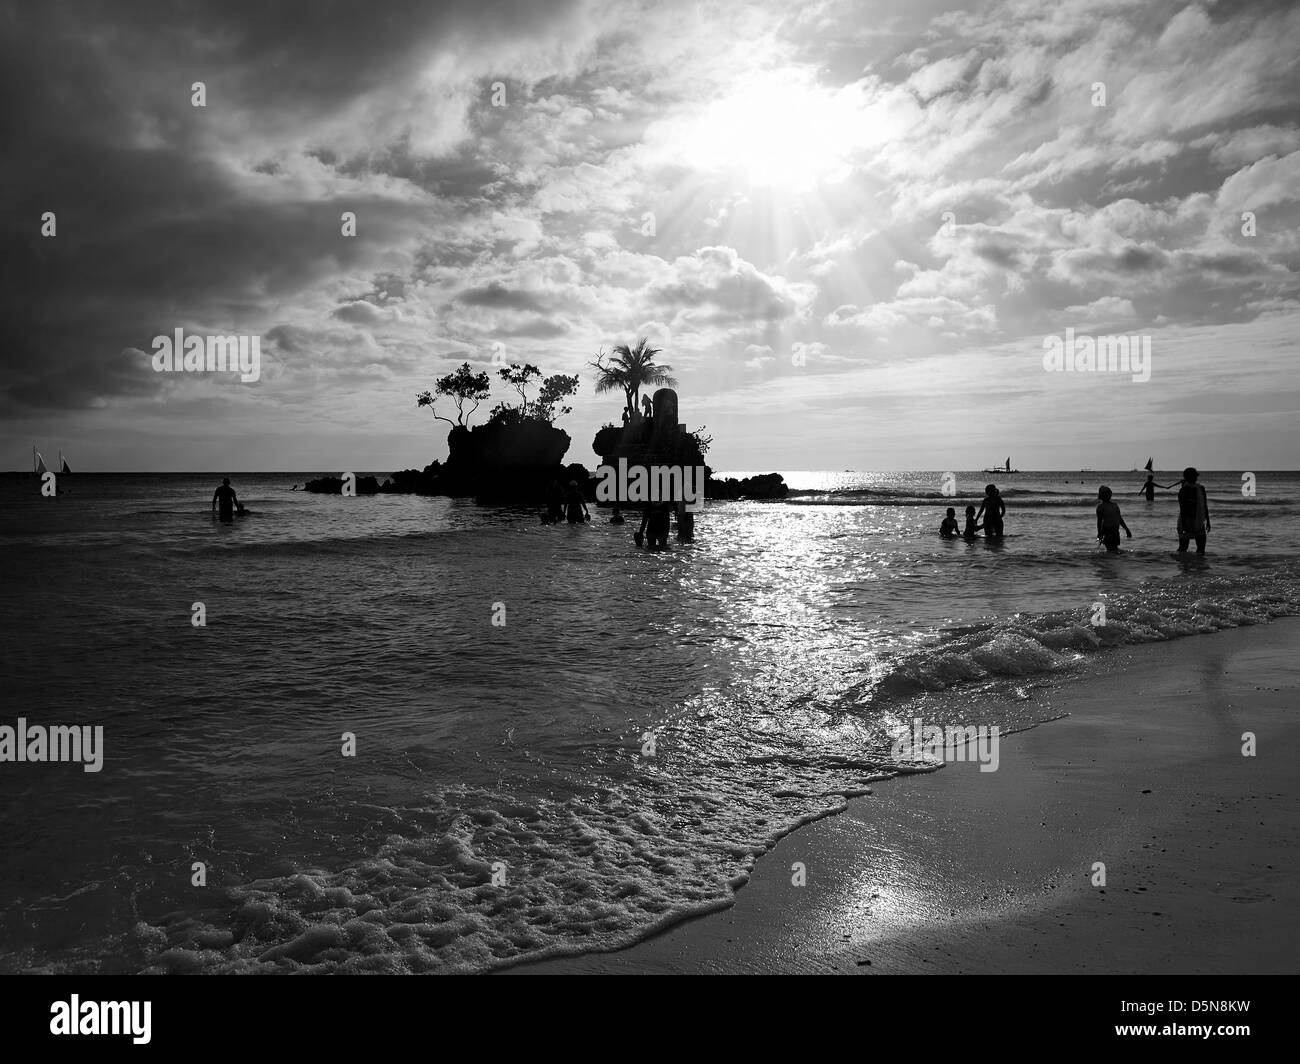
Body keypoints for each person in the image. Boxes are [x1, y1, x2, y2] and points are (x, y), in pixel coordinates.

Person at [1175, 467, 1210, 553]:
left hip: (1199, 521)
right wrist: (1184, 525)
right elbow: (1182, 509)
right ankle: (1183, 564)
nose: (1195, 478)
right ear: (1187, 477)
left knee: (1201, 549)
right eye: (1193, 476)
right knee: (1183, 548)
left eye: (1196, 476)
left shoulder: (1201, 488)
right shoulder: (1183, 490)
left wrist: (1208, 521)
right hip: (1186, 521)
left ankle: (1199, 564)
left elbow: (1205, 504)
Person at [1095, 486, 1132, 552]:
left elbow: (1099, 522)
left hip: (1110, 531)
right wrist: (1127, 529)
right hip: (1112, 531)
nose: (1108, 495)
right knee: (1114, 549)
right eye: (1107, 494)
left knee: (1111, 550)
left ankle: (1112, 560)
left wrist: (1127, 529)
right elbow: (1119, 519)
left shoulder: (1101, 507)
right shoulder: (1114, 505)